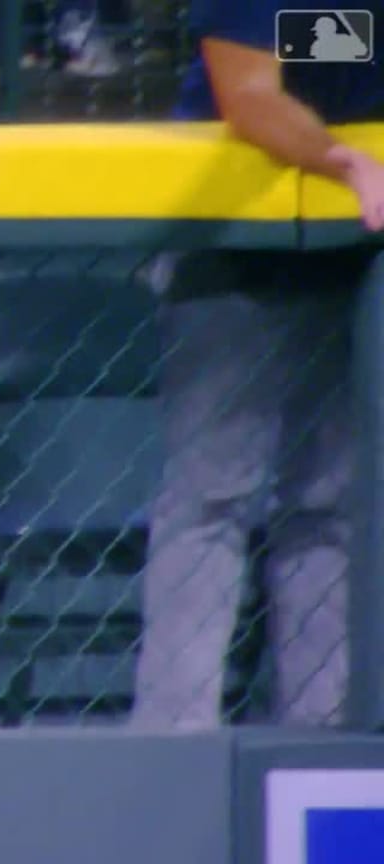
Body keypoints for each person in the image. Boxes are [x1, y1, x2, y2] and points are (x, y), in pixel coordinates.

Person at [130, 0, 383, 729]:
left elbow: (348, 43)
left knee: (331, 502)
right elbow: (250, 95)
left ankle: (321, 730)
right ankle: (174, 741)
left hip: (350, 247)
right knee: (212, 496)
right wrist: (341, 158)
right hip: (229, 242)